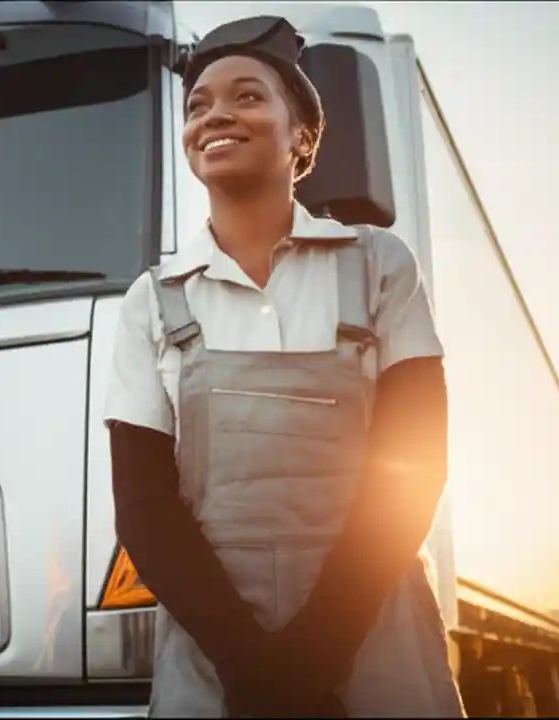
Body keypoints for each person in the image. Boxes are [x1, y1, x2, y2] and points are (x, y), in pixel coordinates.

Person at [103, 15, 467, 719]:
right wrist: (250, 667)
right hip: (216, 662)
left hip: (376, 641)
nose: (215, 116)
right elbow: (144, 510)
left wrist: (313, 659)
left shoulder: (379, 267)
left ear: (302, 136)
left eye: (246, 96)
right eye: (198, 105)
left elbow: (415, 469)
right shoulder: (151, 302)